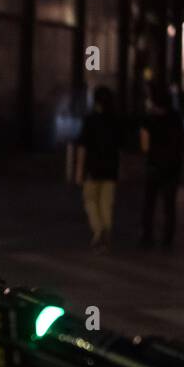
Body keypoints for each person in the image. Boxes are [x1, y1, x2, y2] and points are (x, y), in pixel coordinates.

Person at [139, 83, 184, 247]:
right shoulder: (176, 118)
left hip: (154, 165)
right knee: (169, 205)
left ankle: (147, 236)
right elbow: (183, 142)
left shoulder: (149, 119)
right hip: (172, 167)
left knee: (149, 204)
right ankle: (167, 239)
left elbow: (144, 145)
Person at [74, 86, 121, 250]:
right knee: (106, 203)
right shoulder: (115, 120)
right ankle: (106, 230)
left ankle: (98, 229)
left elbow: (82, 147)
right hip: (111, 169)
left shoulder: (90, 120)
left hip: (92, 168)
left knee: (90, 201)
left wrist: (79, 170)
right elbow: (119, 147)